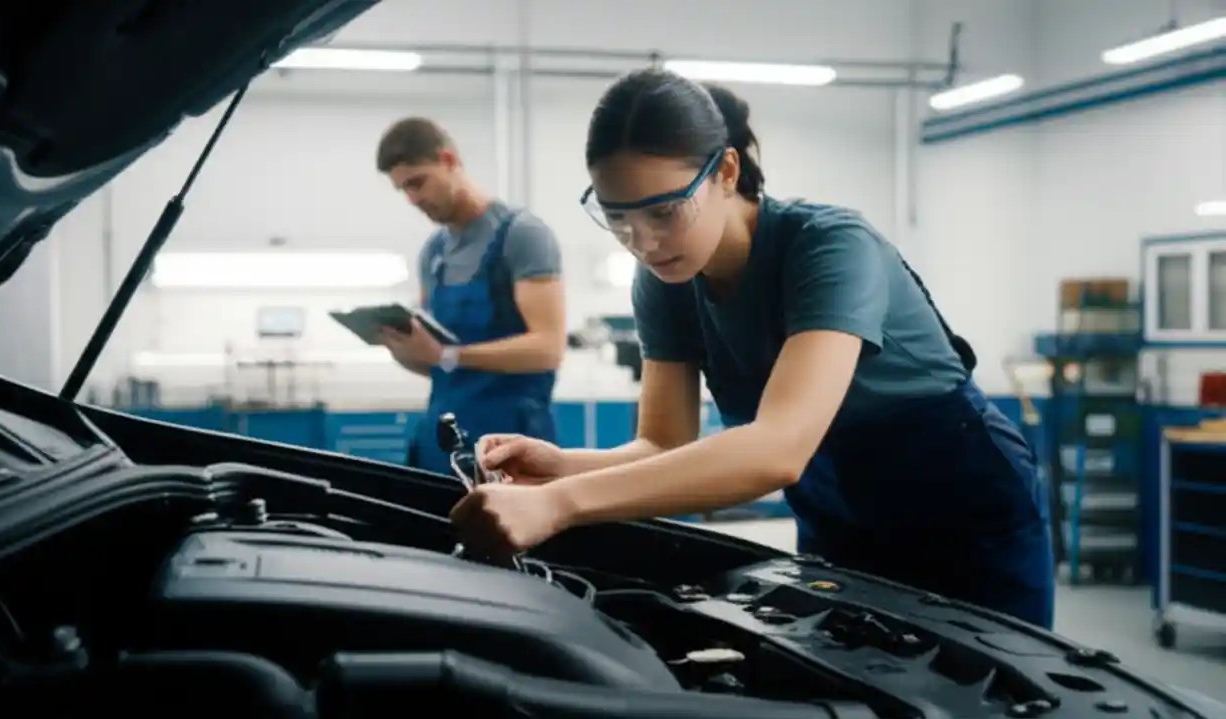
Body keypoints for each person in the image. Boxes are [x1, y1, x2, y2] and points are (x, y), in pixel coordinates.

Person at [448, 69, 1055, 630]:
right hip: (840, 516)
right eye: (618, 218)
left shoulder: (829, 247)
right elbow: (662, 443)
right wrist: (562, 465)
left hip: (962, 506)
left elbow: (777, 449)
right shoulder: (667, 279)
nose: (644, 242)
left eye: (664, 211)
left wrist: (560, 504)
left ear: (726, 172)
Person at [375, 117, 567, 476]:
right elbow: (437, 364)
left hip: (508, 445)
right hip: (441, 442)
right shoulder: (433, 254)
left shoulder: (521, 235)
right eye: (403, 189)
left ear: (448, 161)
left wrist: (448, 355)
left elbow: (548, 348)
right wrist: (404, 349)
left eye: (417, 182)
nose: (413, 199)